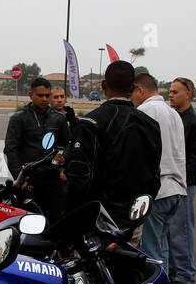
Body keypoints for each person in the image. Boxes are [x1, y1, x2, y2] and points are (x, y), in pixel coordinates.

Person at [63, 61, 160, 231]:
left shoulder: (90, 123)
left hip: (96, 221)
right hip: (133, 219)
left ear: (103, 85)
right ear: (132, 88)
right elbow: (155, 175)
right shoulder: (150, 125)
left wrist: (69, 219)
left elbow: (80, 177)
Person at [132, 73, 186, 279]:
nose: (132, 99)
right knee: (162, 247)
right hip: (176, 188)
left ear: (140, 90)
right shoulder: (173, 113)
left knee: (152, 252)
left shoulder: (145, 111)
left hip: (159, 190)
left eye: (132, 93)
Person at [3, 76, 72, 221]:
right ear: (31, 95)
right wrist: (19, 178)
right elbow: (10, 149)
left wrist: (63, 159)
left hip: (53, 181)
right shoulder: (18, 119)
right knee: (29, 223)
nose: (45, 99)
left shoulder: (58, 118)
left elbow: (68, 143)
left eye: (47, 95)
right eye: (40, 95)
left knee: (55, 221)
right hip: (29, 182)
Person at [167, 76, 196, 284]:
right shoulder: (173, 117)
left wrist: (182, 180)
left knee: (181, 229)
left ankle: (186, 276)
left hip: (184, 184)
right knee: (171, 231)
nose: (171, 95)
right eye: (170, 91)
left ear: (188, 94)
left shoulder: (195, 121)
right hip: (173, 182)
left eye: (175, 91)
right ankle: (175, 272)